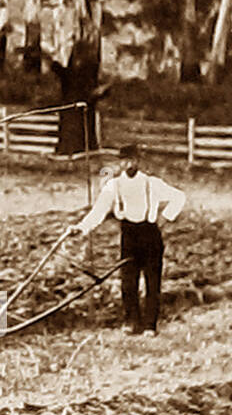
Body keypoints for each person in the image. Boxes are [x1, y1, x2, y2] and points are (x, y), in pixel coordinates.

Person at [72, 143, 185, 336]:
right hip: (129, 236)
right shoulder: (114, 185)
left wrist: (165, 218)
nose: (128, 164)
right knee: (128, 282)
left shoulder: (152, 183)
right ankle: (133, 322)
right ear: (120, 163)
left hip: (150, 235)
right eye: (124, 161)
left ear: (138, 161)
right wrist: (81, 227)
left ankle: (150, 325)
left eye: (132, 160)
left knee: (152, 282)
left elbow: (179, 197)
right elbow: (99, 210)